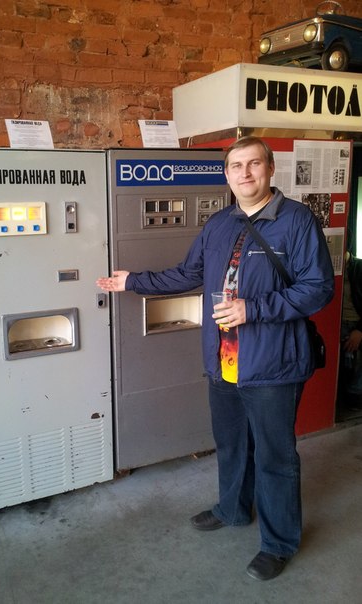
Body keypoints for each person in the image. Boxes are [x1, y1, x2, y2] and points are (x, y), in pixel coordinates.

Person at [96, 136, 334, 581]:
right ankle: (232, 509)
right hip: (224, 361)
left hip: (274, 365)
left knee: (275, 457)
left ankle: (278, 543)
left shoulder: (297, 221)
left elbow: (318, 288)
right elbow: (188, 273)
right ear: (226, 175)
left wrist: (252, 309)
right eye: (236, 166)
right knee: (232, 444)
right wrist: (134, 281)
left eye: (253, 164)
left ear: (270, 169)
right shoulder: (220, 223)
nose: (245, 173)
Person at [339, 242, 362, 409]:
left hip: (356, 320)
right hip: (337, 323)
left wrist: (360, 330)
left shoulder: (359, 267)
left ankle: (355, 394)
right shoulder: (324, 266)